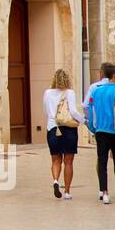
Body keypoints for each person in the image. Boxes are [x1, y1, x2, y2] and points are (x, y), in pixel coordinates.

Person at [87, 63, 115, 204]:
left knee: (102, 161)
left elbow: (91, 111)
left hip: (100, 131)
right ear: (114, 75)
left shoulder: (96, 91)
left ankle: (104, 192)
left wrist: (92, 126)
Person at [44, 69, 83, 199]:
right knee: (68, 161)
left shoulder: (47, 93)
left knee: (55, 160)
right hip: (68, 128)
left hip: (53, 128)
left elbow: (46, 110)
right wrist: (83, 121)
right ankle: (67, 191)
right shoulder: (69, 92)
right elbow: (72, 111)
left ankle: (55, 180)